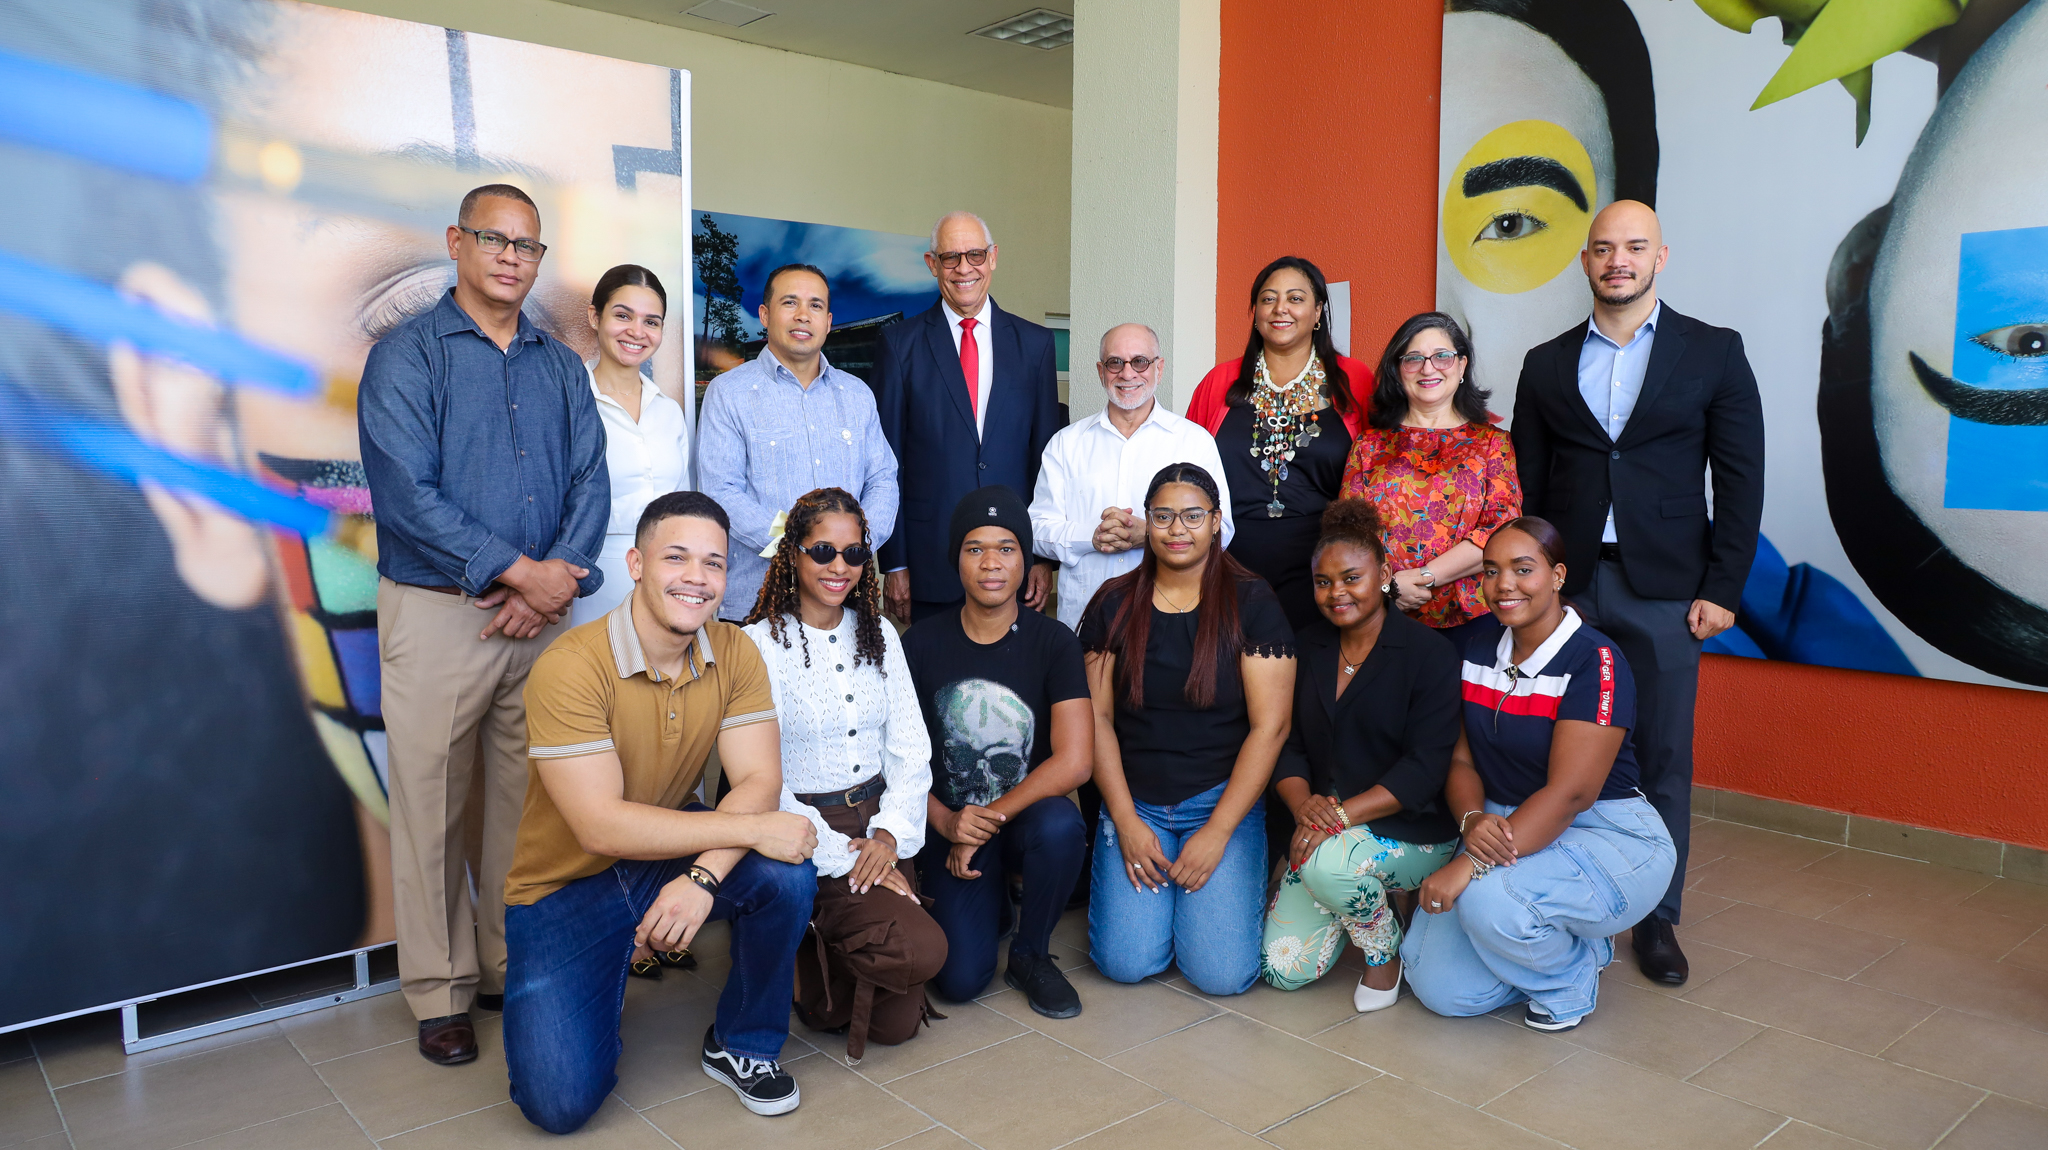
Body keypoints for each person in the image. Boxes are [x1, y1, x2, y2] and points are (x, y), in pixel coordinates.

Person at [358, 183, 609, 1065]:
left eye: (527, 246)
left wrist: (554, 581)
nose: (511, 256)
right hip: (440, 614)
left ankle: (504, 965)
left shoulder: (557, 363)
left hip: (537, 620)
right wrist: (519, 573)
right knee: (428, 805)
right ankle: (439, 990)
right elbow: (405, 495)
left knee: (520, 804)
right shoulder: (407, 356)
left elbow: (591, 481)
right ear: (457, 243)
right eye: (494, 239)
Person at [501, 491, 817, 1129]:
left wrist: (701, 879)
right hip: (566, 887)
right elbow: (600, 824)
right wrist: (753, 830)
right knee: (557, 1105)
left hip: (666, 857)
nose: (697, 578)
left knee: (787, 872)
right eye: (677, 558)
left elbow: (759, 778)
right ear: (637, 564)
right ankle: (608, 968)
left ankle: (744, 1044)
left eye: (714, 563)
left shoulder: (734, 650)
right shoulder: (571, 666)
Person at [1510, 200, 1764, 986]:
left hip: (1665, 589)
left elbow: (1742, 475)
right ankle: (1559, 900)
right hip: (1569, 589)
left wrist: (1723, 586)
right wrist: (1533, 588)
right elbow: (1527, 485)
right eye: (1603, 248)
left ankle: (1657, 919)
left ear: (1661, 257)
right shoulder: (1545, 361)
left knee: (1661, 759)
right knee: (1556, 753)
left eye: (1635, 247)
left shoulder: (1714, 352)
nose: (1618, 260)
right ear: (1584, 261)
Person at [1401, 517, 1676, 1032]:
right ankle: (1556, 935)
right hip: (1506, 824)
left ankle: (1570, 980)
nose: (1503, 584)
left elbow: (1571, 793)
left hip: (1604, 832)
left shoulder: (1595, 659)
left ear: (1557, 575)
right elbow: (1460, 761)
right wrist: (1472, 820)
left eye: (1523, 569)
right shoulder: (1477, 651)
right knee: (1441, 988)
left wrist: (1468, 867)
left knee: (1488, 900)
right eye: (1490, 571)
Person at [740, 487, 947, 1061]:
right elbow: (761, 778)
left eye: (855, 554)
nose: (840, 567)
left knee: (896, 1022)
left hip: (880, 818)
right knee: (920, 950)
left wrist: (886, 836)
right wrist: (841, 854)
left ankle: (820, 946)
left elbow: (910, 746)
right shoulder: (757, 645)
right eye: (823, 551)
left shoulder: (877, 632)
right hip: (806, 822)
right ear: (793, 554)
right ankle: (807, 929)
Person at [1080, 463, 1295, 996]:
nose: (1178, 529)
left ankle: (1242, 877)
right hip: (1137, 800)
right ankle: (1169, 903)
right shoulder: (1114, 600)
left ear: (1216, 521)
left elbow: (1271, 727)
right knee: (1124, 963)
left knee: (1222, 976)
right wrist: (1126, 821)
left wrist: (1219, 831)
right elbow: (1098, 719)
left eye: (1193, 515)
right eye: (1164, 516)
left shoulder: (1253, 601)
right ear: (1146, 524)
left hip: (1219, 799)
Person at [1260, 499, 1463, 1011]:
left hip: (1410, 829)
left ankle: (1382, 953)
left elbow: (1424, 768)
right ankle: (1364, 902)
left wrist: (1336, 819)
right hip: (1326, 824)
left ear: (1385, 574)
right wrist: (1305, 805)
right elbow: (1287, 741)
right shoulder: (1307, 648)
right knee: (1283, 969)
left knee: (1329, 866)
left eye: (1351, 577)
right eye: (1324, 582)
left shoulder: (1428, 655)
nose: (1337, 593)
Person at [906, 487, 1093, 1018]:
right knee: (960, 982)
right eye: (974, 548)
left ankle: (1031, 953)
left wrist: (986, 818)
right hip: (949, 827)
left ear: (1026, 559)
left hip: (1022, 820)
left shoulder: (1055, 642)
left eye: (1007, 547)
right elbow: (896, 761)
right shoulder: (919, 645)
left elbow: (1077, 760)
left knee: (1061, 826)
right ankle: (990, 908)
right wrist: (944, 823)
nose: (991, 562)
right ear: (955, 559)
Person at [875, 211, 1062, 623]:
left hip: (1015, 566)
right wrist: (894, 563)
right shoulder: (898, 345)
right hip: (929, 563)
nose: (964, 269)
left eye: (975, 254)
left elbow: (1047, 463)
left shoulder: (1036, 345)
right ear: (931, 264)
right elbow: (886, 465)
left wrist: (1043, 557)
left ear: (993, 257)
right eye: (950, 257)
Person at [698, 262, 900, 623]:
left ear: (828, 320)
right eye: (790, 303)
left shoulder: (857, 395)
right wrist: (802, 547)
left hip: (845, 604)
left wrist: (848, 551)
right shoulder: (729, 393)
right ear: (765, 314)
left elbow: (883, 479)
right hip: (759, 605)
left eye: (816, 306)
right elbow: (721, 492)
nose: (803, 315)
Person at [1185, 257, 1374, 633]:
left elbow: (1378, 472)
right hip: (1227, 561)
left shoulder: (1354, 378)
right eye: (1268, 298)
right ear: (1255, 312)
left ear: (1318, 310)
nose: (1280, 308)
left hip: (1323, 569)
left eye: (1296, 298)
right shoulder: (1219, 380)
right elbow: (1187, 473)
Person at [1030, 323, 1234, 632]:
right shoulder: (1066, 443)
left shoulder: (1194, 442)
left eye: (1140, 361)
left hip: (1170, 623)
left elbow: (1223, 530)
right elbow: (1037, 529)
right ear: (1101, 371)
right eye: (1116, 363)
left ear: (1158, 368)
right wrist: (1093, 536)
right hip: (1085, 622)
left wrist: (1153, 533)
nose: (1128, 374)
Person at [1341, 312, 1519, 650]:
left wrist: (1422, 578)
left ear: (1462, 366)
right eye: (1413, 359)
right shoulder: (1368, 446)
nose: (1428, 368)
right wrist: (1387, 588)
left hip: (1473, 622)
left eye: (1442, 356)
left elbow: (1500, 533)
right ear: (1397, 370)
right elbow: (1347, 535)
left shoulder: (1493, 443)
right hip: (1382, 616)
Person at [571, 264, 690, 627]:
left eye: (651, 322)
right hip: (587, 582)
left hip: (668, 584)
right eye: (623, 315)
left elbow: (684, 506)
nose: (637, 332)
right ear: (595, 315)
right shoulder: (572, 405)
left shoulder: (669, 411)